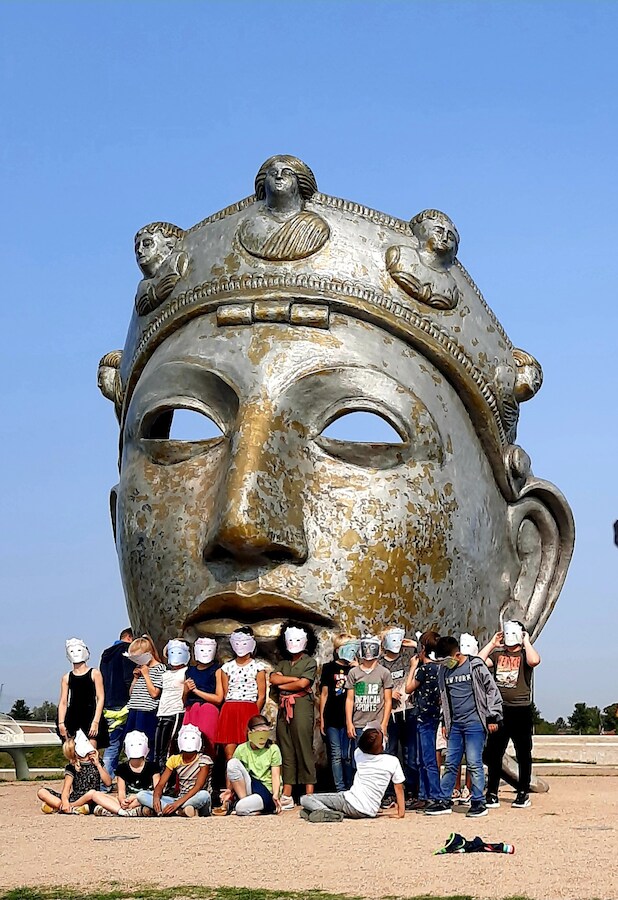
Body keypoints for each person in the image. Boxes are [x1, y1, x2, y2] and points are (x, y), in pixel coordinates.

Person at [425, 636, 502, 818]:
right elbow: (445, 699)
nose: (444, 663)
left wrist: (493, 716)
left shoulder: (475, 666)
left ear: (457, 654)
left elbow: (491, 690)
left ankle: (478, 802)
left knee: (474, 763)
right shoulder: (444, 671)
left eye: (446, 659)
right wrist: (445, 721)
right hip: (456, 725)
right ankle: (444, 800)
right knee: (451, 763)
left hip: (475, 722)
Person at [480, 620, 541, 809]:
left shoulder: (525, 655)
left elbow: (535, 661)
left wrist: (526, 642)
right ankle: (492, 792)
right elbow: (478, 662)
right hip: (500, 709)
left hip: (521, 708)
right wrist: (492, 644)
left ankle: (522, 792)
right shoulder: (498, 655)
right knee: (494, 753)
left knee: (523, 752)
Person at [299, 726, 405, 822]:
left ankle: (329, 813)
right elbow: (399, 788)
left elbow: (364, 742)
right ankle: (324, 812)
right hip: (369, 810)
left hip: (350, 801)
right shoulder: (392, 761)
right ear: (382, 746)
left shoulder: (359, 754)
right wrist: (401, 813)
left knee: (305, 799)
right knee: (306, 810)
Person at [270, 621, 318, 810]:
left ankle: (309, 793)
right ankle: (287, 792)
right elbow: (273, 679)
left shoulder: (309, 662)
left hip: (301, 705)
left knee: (304, 746)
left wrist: (284, 683)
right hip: (284, 707)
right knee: (285, 747)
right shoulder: (282, 663)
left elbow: (303, 685)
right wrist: (290, 681)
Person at [379, 625, 419, 809]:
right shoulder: (379, 662)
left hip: (408, 711)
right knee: (389, 753)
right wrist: (387, 694)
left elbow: (426, 659)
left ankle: (412, 792)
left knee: (411, 755)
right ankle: (387, 793)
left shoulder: (407, 659)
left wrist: (416, 645)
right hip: (389, 714)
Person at [137, 723, 212, 818]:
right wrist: (156, 798)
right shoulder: (174, 759)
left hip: (195, 797)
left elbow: (198, 786)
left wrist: (177, 804)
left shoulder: (204, 760)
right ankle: (180, 811)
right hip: (179, 799)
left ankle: (172, 810)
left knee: (204, 795)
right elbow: (161, 784)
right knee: (141, 795)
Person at [214, 715, 282, 816]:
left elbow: (276, 775)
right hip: (250, 786)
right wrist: (229, 790)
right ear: (250, 732)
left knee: (240, 808)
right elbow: (234, 772)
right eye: (259, 732)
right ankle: (245, 802)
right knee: (232, 763)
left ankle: (250, 807)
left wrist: (276, 794)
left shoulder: (273, 749)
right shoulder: (242, 749)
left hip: (266, 790)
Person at [216, 627, 267, 761]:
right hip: (230, 709)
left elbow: (261, 695)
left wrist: (254, 714)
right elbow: (227, 692)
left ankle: (247, 782)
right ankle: (229, 782)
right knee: (230, 755)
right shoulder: (226, 667)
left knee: (248, 754)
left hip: (249, 709)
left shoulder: (258, 667)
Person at [406, 630, 442, 811]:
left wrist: (413, 666)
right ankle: (425, 794)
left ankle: (433, 795)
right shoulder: (440, 669)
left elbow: (408, 688)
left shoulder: (423, 670)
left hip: (423, 717)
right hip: (434, 716)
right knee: (425, 758)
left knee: (425, 760)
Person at [37, 730, 111, 814]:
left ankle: (65, 807)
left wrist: (98, 765)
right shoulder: (72, 767)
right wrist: (65, 802)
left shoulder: (98, 762)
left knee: (92, 793)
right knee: (42, 792)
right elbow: (66, 789)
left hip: (91, 798)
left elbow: (108, 782)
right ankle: (68, 807)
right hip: (76, 797)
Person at [319, 634, 359, 791]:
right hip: (332, 715)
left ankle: (351, 787)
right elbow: (324, 694)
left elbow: (360, 691)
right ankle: (340, 788)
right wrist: (322, 718)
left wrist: (356, 668)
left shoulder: (356, 669)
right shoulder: (328, 668)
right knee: (335, 754)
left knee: (347, 755)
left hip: (350, 717)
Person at [92, 730, 159, 817]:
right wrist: (123, 800)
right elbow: (121, 792)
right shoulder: (122, 768)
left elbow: (157, 791)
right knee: (96, 795)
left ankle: (114, 810)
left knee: (147, 800)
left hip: (142, 799)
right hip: (127, 801)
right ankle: (124, 812)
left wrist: (136, 797)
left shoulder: (153, 767)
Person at [57, 638, 109, 749]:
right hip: (72, 718)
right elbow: (63, 702)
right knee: (74, 754)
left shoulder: (95, 673)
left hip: (91, 715)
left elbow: (101, 698)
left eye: (78, 650)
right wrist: (61, 722)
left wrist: (96, 721)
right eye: (71, 651)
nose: (75, 653)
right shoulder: (66, 678)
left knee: (91, 752)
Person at [345, 635, 393, 752]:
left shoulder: (384, 673)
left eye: (372, 647)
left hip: (377, 724)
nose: (368, 650)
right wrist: (349, 723)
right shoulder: (353, 673)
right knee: (359, 760)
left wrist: (384, 724)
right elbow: (350, 699)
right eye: (365, 647)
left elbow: (388, 700)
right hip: (359, 724)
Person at [99, 627, 135, 782]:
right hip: (123, 704)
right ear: (129, 637)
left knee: (112, 744)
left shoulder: (106, 654)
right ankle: (127, 779)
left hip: (107, 704)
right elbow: (128, 678)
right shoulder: (127, 651)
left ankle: (105, 780)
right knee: (132, 743)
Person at [125, 635, 166, 760]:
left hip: (147, 711)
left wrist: (146, 675)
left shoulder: (160, 668)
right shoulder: (140, 669)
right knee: (131, 742)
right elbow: (132, 693)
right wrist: (136, 678)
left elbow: (154, 693)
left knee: (146, 743)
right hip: (134, 710)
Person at [183, 636, 223, 756]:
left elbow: (218, 698)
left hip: (208, 709)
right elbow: (184, 699)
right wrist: (186, 690)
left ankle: (208, 771)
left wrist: (196, 691)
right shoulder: (189, 671)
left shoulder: (217, 670)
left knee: (207, 743)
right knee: (187, 741)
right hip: (190, 710)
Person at [153, 639, 189, 772]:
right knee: (158, 748)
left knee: (169, 747)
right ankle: (157, 777)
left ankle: (168, 779)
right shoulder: (166, 673)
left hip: (176, 712)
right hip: (162, 712)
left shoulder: (186, 671)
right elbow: (160, 657)